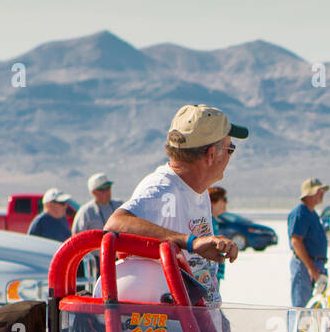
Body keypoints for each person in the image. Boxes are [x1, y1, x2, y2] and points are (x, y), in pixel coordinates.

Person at [104, 103, 244, 304]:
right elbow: (115, 224)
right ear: (212, 154)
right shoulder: (163, 189)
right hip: (174, 330)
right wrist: (191, 242)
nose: (230, 157)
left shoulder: (198, 189)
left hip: (198, 325)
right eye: (230, 149)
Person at [289, 178, 329, 307]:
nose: (322, 194)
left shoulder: (313, 213)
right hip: (305, 266)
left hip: (317, 265)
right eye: (318, 191)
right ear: (309, 193)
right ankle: (297, 328)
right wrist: (310, 267)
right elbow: (296, 241)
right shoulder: (300, 213)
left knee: (315, 307)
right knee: (301, 307)